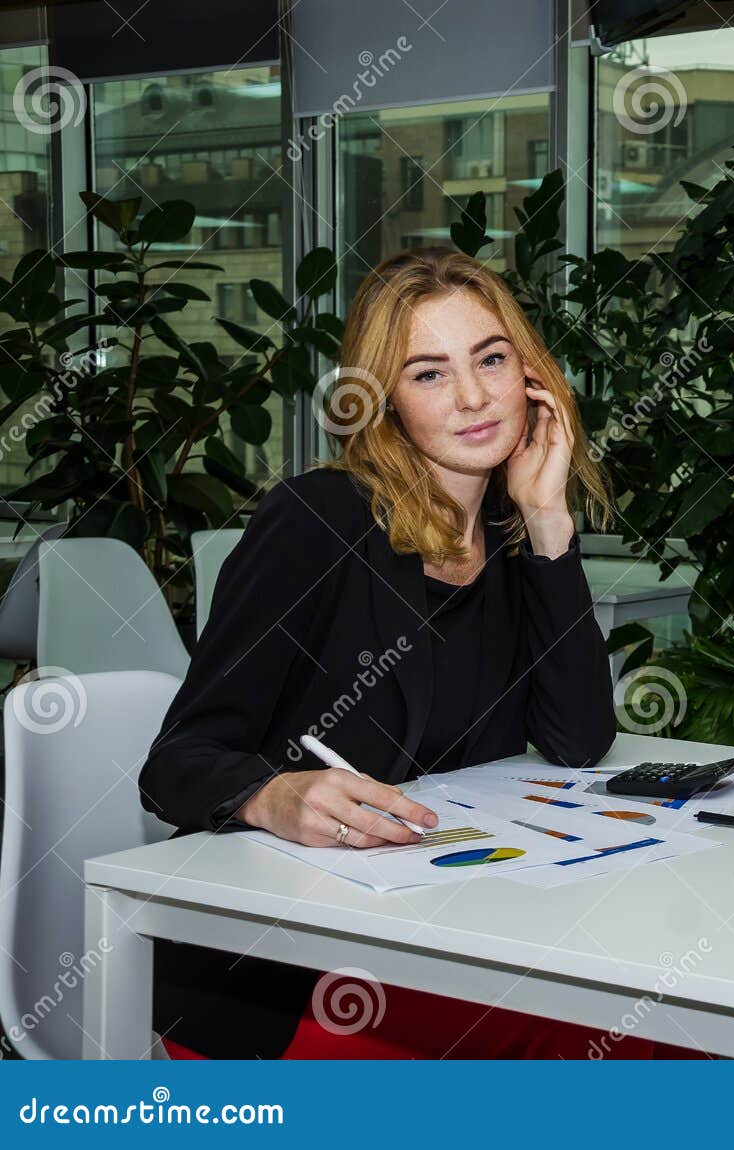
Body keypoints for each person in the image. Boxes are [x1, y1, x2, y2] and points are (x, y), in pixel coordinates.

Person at [140, 247, 704, 1060]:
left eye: (491, 359)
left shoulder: (513, 537)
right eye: (429, 374)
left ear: (531, 377)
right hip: (290, 971)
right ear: (387, 404)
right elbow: (177, 761)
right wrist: (272, 796)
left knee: (674, 1036)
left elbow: (580, 739)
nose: (474, 397)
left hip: (453, 931)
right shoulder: (318, 521)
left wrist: (549, 523)